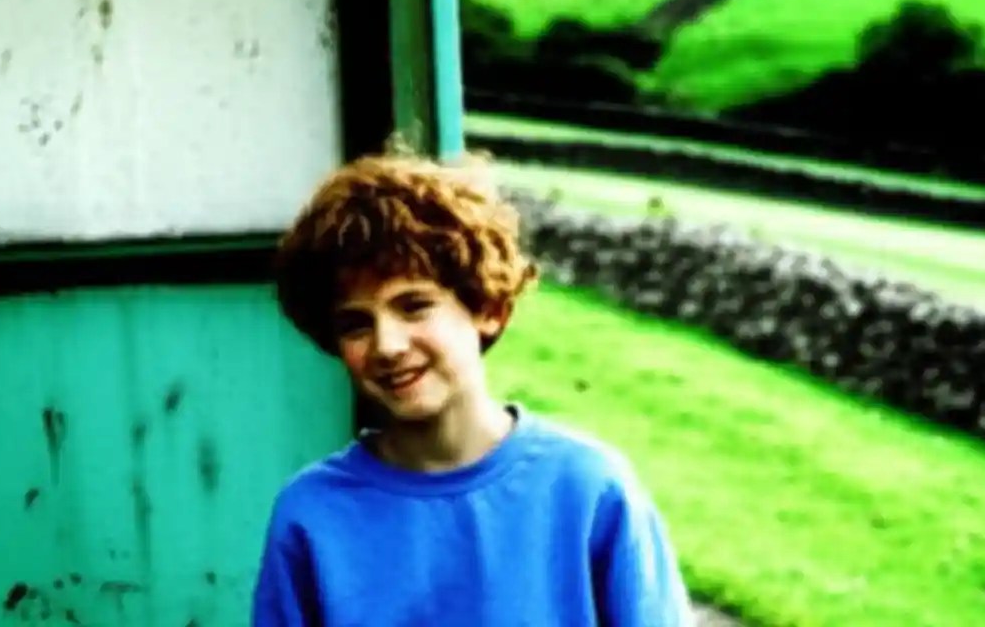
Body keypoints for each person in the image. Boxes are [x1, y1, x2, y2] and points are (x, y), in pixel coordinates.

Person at [252, 146, 693, 626]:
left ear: (488, 308)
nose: (388, 345)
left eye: (414, 306)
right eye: (356, 323)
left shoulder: (589, 489)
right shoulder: (311, 516)